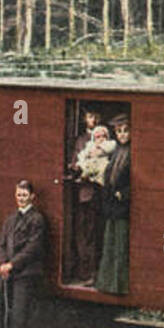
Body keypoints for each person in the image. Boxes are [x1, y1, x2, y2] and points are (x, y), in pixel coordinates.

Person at [0, 180, 48, 328]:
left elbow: (33, 248)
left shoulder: (37, 219)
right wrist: (2, 262)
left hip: (25, 272)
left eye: (24, 195)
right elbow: (1, 244)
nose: (21, 199)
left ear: (32, 197)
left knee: (18, 312)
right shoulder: (10, 219)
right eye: (18, 195)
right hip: (7, 272)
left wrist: (12, 264)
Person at [94, 113, 131, 295]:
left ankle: (119, 286)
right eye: (119, 131)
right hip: (112, 206)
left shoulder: (132, 151)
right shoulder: (117, 151)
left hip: (123, 207)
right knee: (110, 244)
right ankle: (107, 283)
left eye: (125, 131)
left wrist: (123, 193)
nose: (122, 135)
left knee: (120, 246)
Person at [66, 109, 104, 283]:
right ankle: (83, 271)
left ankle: (94, 272)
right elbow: (75, 161)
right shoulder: (80, 140)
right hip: (83, 193)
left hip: (98, 193)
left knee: (95, 233)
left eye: (96, 116)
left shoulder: (105, 138)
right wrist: (76, 168)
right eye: (90, 116)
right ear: (84, 119)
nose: (93, 120)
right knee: (82, 233)